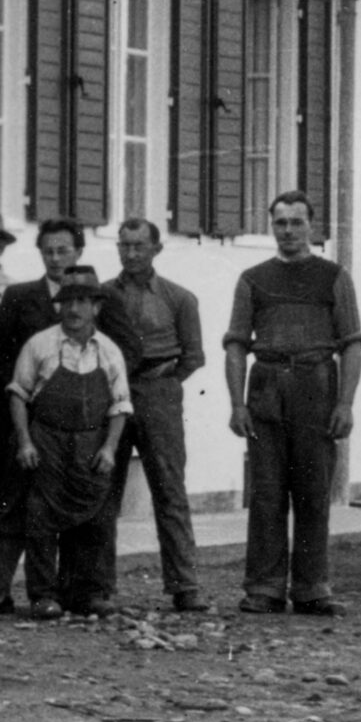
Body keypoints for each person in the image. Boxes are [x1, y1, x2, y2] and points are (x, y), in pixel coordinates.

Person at [0, 219, 141, 613]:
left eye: (62, 250)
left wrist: (96, 413)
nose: (55, 258)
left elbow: (126, 366)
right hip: (34, 430)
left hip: (89, 431)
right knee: (28, 514)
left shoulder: (106, 329)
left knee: (93, 514)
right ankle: (28, 593)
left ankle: (86, 592)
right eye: (47, 250)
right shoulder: (21, 301)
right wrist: (30, 420)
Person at [223, 190, 361, 617]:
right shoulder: (253, 279)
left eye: (296, 222)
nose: (288, 231)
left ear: (312, 227)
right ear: (272, 227)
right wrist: (236, 403)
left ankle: (311, 587)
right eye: (280, 223)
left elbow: (353, 346)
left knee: (313, 490)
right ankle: (264, 588)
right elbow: (235, 346)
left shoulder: (333, 277)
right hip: (266, 386)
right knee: (267, 492)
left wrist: (345, 404)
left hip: (316, 385)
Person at [9, 274, 132, 620]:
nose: (74, 309)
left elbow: (120, 405)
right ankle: (44, 595)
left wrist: (109, 448)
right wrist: (25, 442)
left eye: (83, 301)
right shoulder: (40, 345)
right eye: (69, 301)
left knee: (93, 520)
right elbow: (18, 394)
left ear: (96, 307)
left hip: (91, 444)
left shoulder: (109, 350)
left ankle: (88, 594)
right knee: (41, 519)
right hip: (47, 442)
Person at [103, 217, 210, 613]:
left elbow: (193, 356)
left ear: (156, 249)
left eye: (139, 246)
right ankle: (100, 585)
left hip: (159, 393)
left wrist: (162, 383)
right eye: (124, 245)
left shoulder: (178, 298)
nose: (131, 253)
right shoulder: (102, 296)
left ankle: (185, 585)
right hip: (113, 395)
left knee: (169, 489)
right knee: (104, 491)